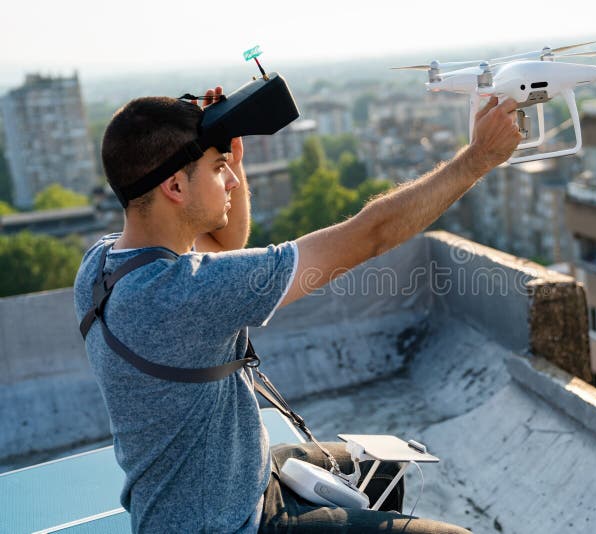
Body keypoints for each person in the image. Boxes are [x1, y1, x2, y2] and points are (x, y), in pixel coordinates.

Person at [74, 84, 522, 533]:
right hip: (232, 523)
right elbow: (371, 234)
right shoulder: (186, 294)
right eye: (217, 170)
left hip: (221, 489)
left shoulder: (102, 265)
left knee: (385, 468)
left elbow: (226, 242)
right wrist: (478, 157)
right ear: (174, 186)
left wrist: (231, 160)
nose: (229, 180)